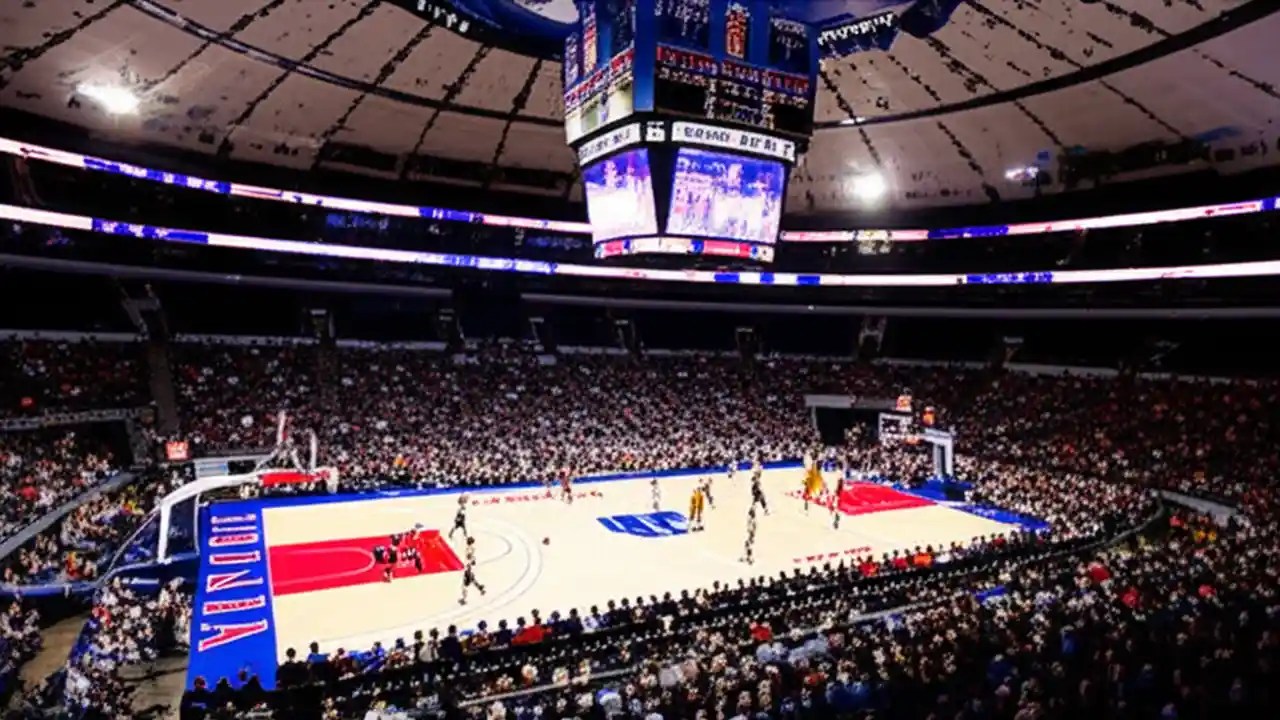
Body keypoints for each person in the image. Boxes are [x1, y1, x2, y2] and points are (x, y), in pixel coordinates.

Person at [459, 537, 487, 605]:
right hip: (470, 568)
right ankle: (481, 589)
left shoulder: (468, 549)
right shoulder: (472, 549)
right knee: (472, 580)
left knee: (464, 585)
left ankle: (464, 599)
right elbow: (472, 559)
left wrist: (468, 568)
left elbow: (469, 558)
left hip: (468, 569)